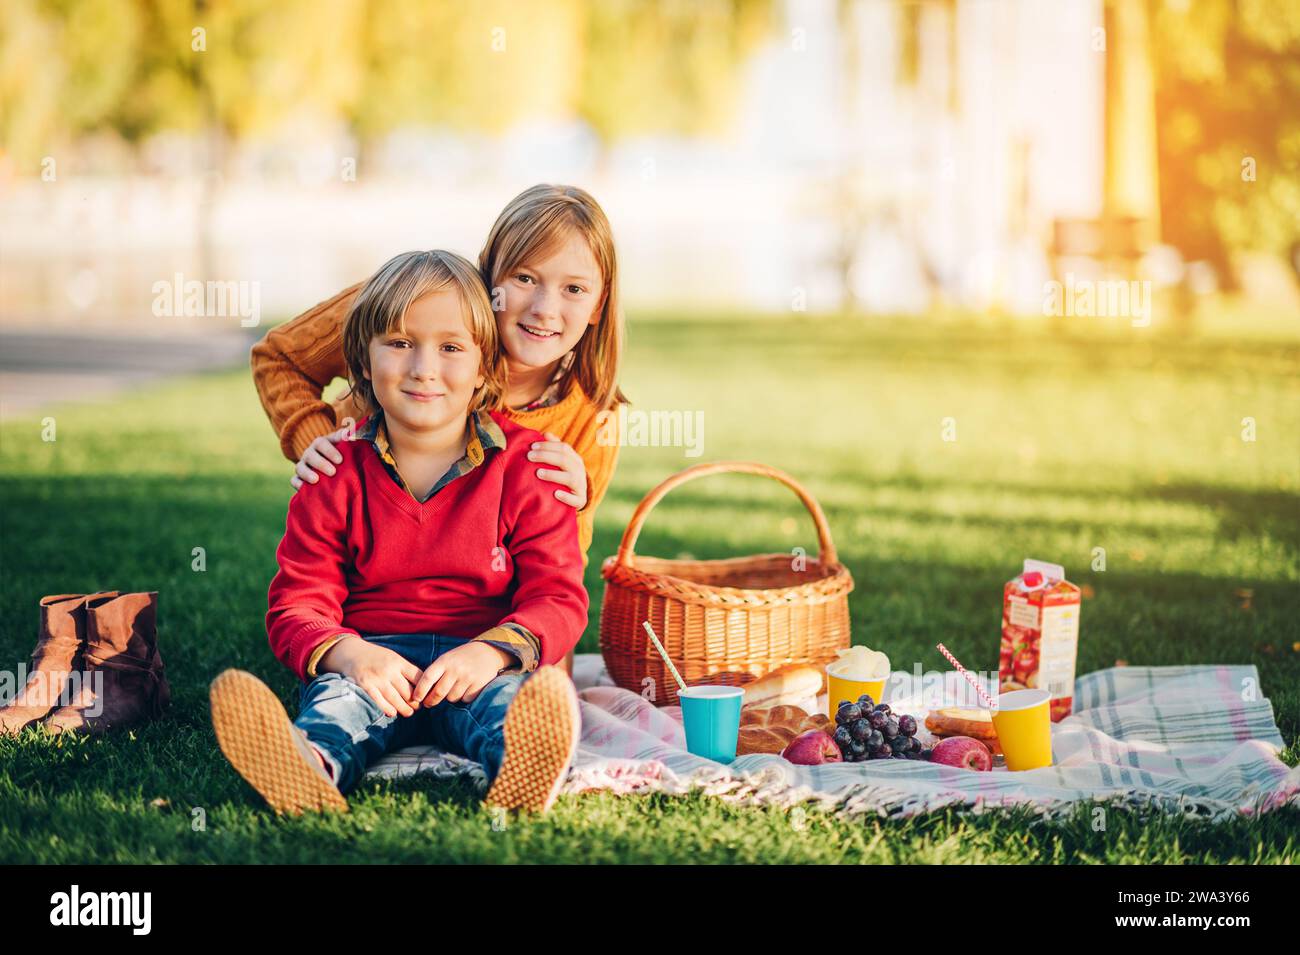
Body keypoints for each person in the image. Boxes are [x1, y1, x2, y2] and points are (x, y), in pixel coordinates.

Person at [211, 249, 588, 815]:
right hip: (373, 660)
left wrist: (493, 653)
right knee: (338, 707)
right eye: (399, 342)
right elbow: (296, 605)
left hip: (479, 661)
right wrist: (349, 655)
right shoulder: (332, 471)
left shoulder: (530, 467)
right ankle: (309, 768)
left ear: (486, 367)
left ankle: (521, 769)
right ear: (362, 360)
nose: (423, 367)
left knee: (508, 708)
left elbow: (557, 598)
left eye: (451, 348)